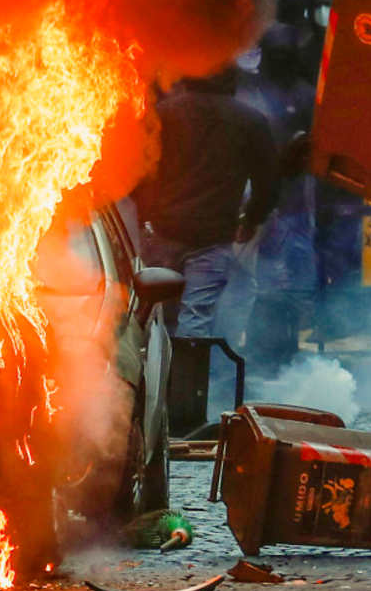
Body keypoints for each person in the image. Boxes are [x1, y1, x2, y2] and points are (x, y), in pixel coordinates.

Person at [135, 67, 278, 337]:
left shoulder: (165, 114)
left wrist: (145, 216)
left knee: (154, 310)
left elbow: (141, 170)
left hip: (164, 229)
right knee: (197, 315)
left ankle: (152, 372)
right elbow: (268, 182)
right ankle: (189, 376)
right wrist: (251, 220)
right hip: (213, 237)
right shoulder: (250, 121)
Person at [241, 23, 319, 372]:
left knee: (286, 282)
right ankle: (264, 351)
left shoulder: (304, 95)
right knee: (268, 280)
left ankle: (280, 351)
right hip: (265, 197)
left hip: (292, 200)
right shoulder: (255, 93)